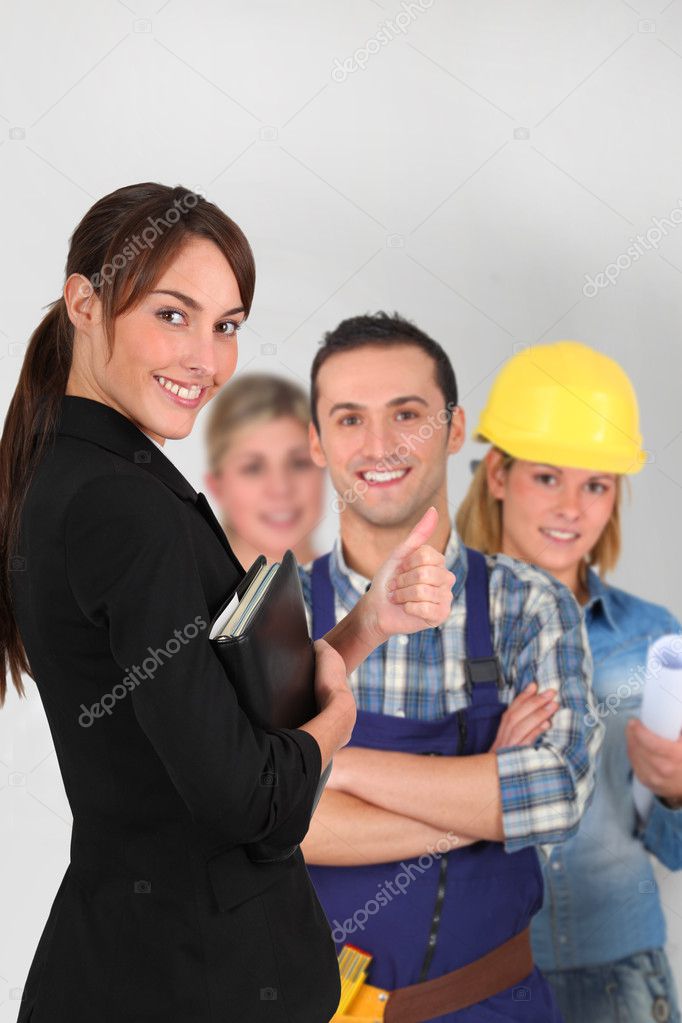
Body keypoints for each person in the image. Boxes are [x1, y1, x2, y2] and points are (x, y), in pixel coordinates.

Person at [0, 183, 456, 1023]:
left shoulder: (74, 468)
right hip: (195, 980)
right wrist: (336, 728)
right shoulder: (120, 506)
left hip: (142, 963)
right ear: (85, 303)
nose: (205, 359)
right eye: (173, 314)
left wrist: (364, 625)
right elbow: (250, 800)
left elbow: (223, 713)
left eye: (227, 325)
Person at [297, 312, 604, 1021]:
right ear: (316, 441)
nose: (379, 445)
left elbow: (555, 795)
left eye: (407, 413)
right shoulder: (280, 616)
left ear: (455, 428)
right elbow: (270, 822)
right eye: (349, 419)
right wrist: (485, 800)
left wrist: (328, 766)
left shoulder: (528, 605)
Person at [456, 340, 682, 1023]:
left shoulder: (650, 637)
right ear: (498, 473)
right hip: (481, 976)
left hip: (623, 978)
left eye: (596, 485)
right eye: (548, 477)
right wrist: (482, 771)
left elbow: (672, 850)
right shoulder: (431, 628)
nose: (572, 509)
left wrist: (674, 788)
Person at [203, 372, 324, 569]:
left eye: (299, 463)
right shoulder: (174, 594)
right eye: (253, 468)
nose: (281, 488)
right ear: (216, 486)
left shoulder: (371, 592)